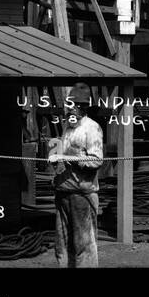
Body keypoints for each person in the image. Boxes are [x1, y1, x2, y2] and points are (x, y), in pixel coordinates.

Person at [48, 82, 103, 268]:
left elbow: (96, 161)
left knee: (84, 244)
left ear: (82, 107)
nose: (68, 111)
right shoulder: (67, 127)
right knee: (62, 244)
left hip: (82, 194)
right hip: (63, 191)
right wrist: (57, 158)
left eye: (72, 107)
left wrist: (66, 156)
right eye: (67, 107)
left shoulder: (91, 128)